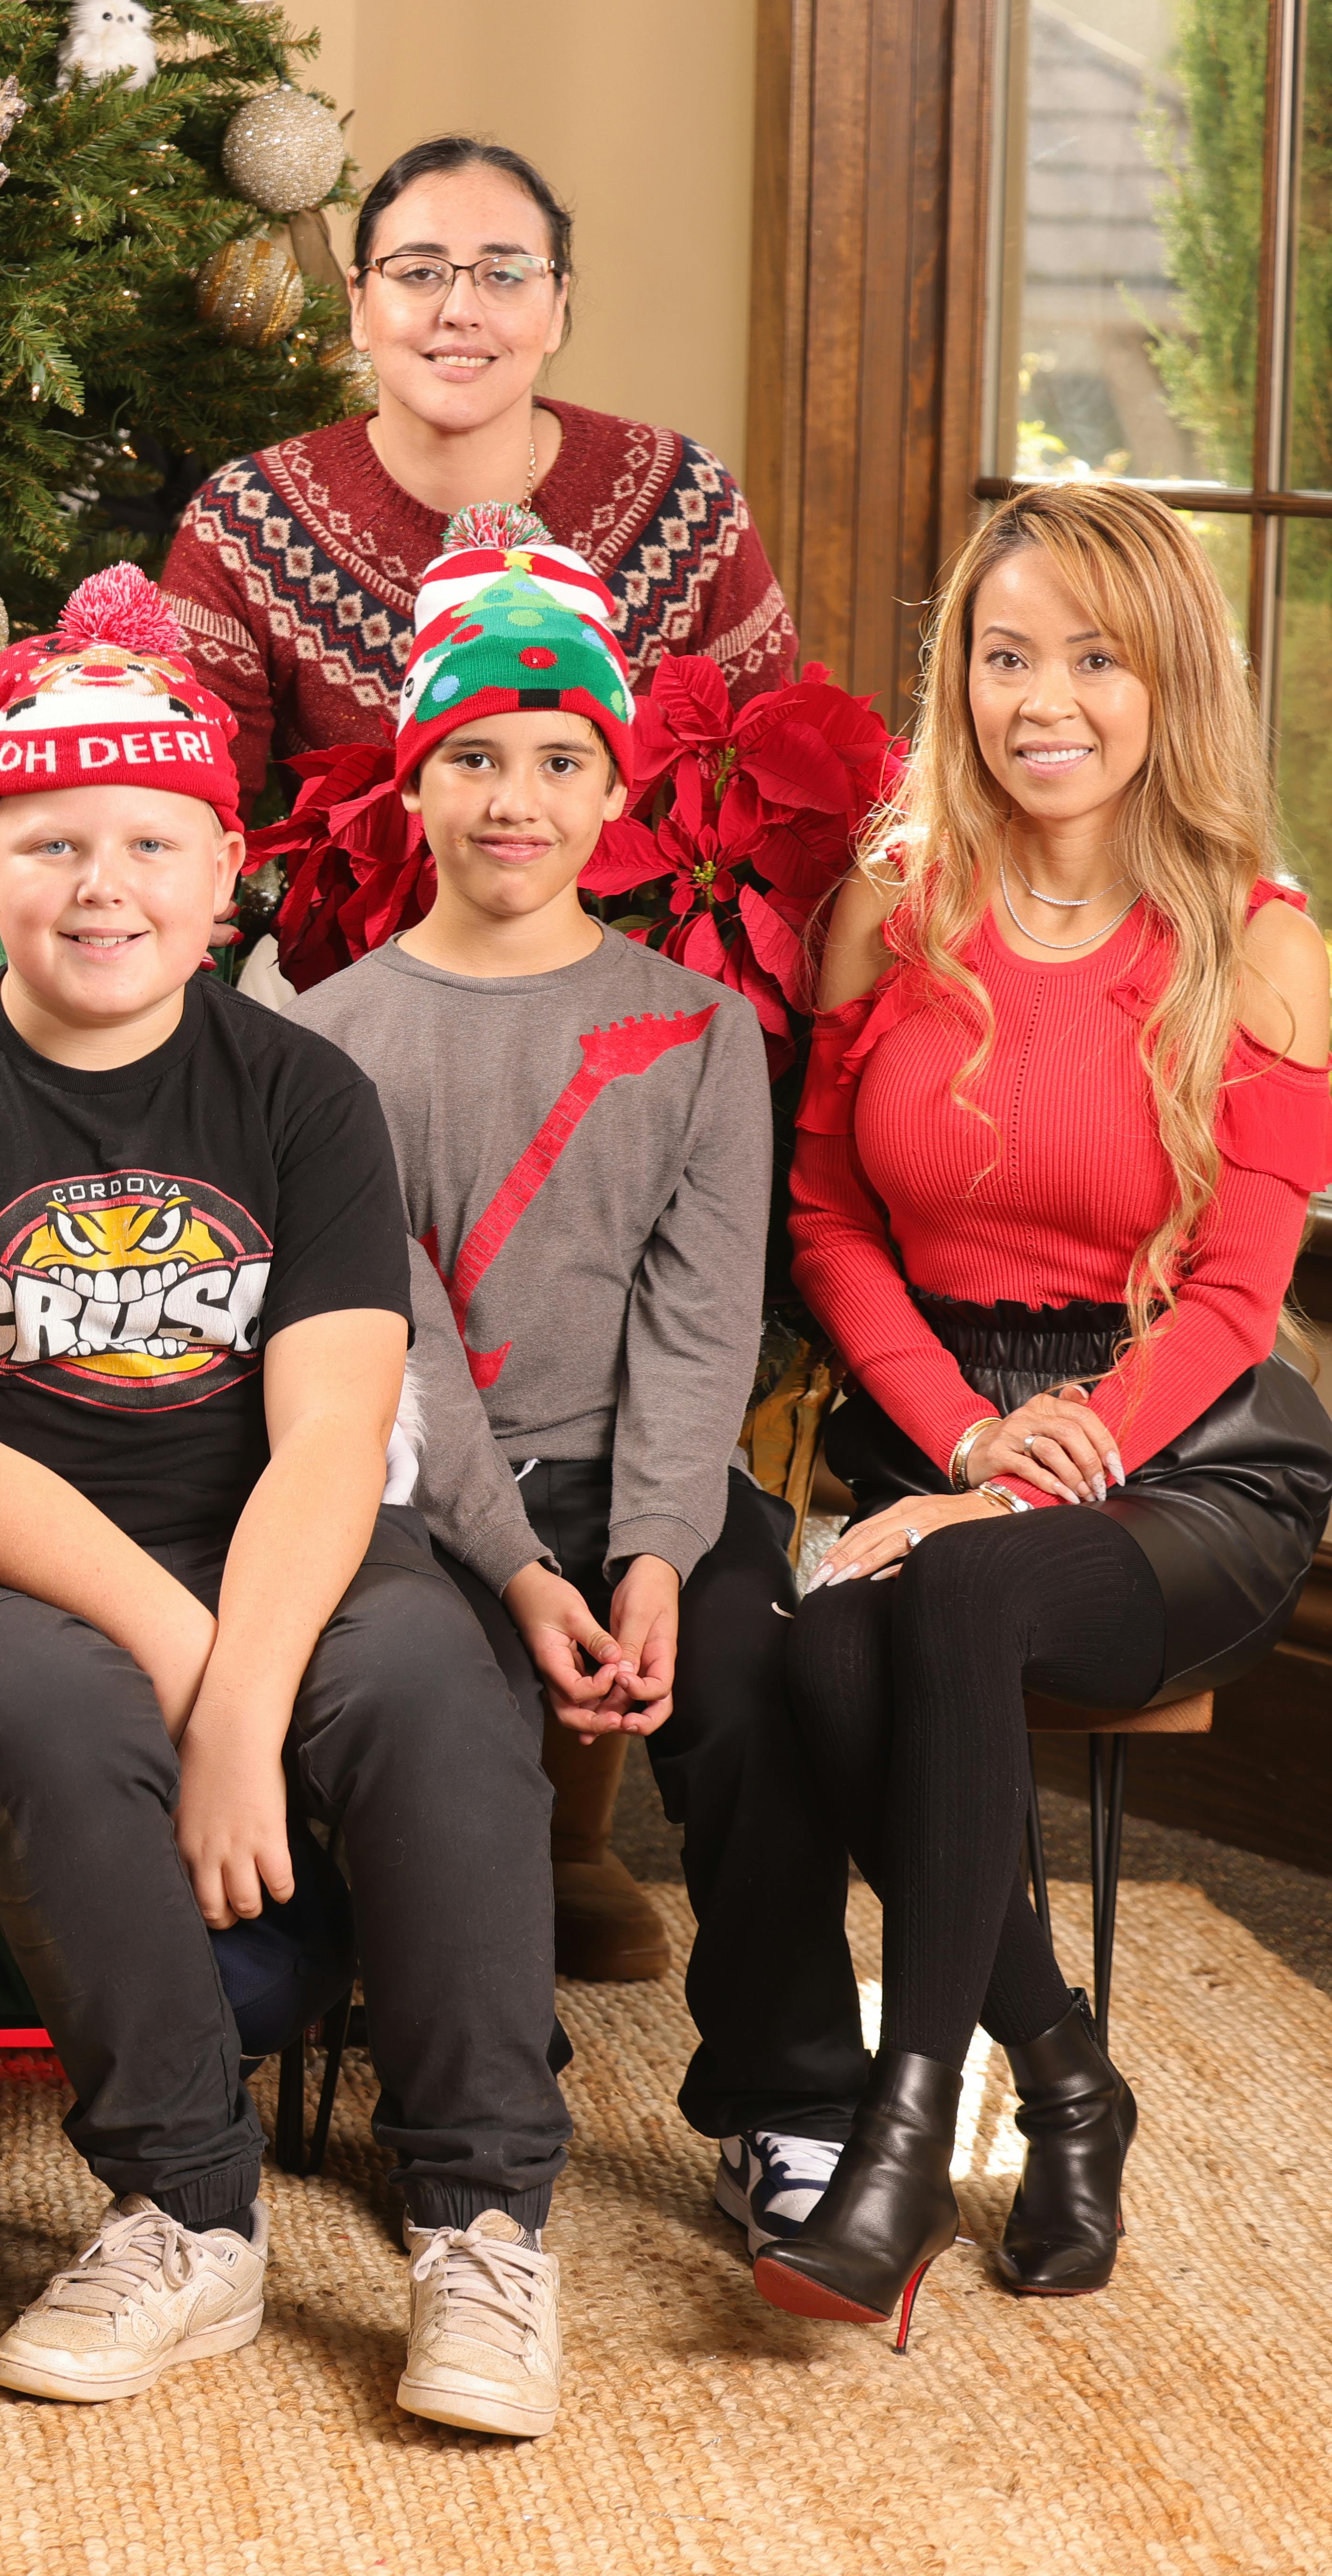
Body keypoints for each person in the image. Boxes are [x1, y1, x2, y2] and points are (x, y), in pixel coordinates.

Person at [0, 566, 576, 2438]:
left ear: (220, 871)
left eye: (148, 843)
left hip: (283, 1530)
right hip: (22, 1553)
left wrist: (250, 1691)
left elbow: (331, 1431)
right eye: (49, 841)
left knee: (429, 1688)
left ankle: (480, 2223)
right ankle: (185, 2208)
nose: (100, 888)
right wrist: (180, 1667)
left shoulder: (299, 1096)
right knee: (45, 1713)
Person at [164, 134, 801, 1982]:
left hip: (636, 995)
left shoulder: (673, 499)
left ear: (557, 302)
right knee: (403, 1365)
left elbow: (768, 767)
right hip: (357, 1012)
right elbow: (191, 793)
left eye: (499, 269)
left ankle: (571, 1807)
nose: (457, 307)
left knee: (620, 1361)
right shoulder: (255, 507)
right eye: (416, 269)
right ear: (357, 302)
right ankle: (420, 1813)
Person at [759, 479, 1332, 2343]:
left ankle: (901, 2153)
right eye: (1003, 655)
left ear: (1166, 679)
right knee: (827, 1655)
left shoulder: (1258, 941)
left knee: (944, 1595)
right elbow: (827, 1214)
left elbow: (1239, 1294)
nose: (1042, 699)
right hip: (939, 1411)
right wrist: (952, 1445)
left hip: (1183, 1448)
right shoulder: (893, 899)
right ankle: (1067, 2079)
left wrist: (1028, 1473)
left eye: (1090, 657)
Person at [284, 509, 872, 2262]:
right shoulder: (328, 1041)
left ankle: (787, 2098)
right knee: (435, 1694)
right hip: (417, 1485)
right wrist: (522, 1568)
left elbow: (701, 1330)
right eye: (469, 755)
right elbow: (384, 1347)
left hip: (645, 1483)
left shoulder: (693, 1035)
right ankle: (467, 2062)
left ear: (613, 793)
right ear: (415, 783)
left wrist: (653, 1555)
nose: (512, 797)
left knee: (761, 1674)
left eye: (557, 758)